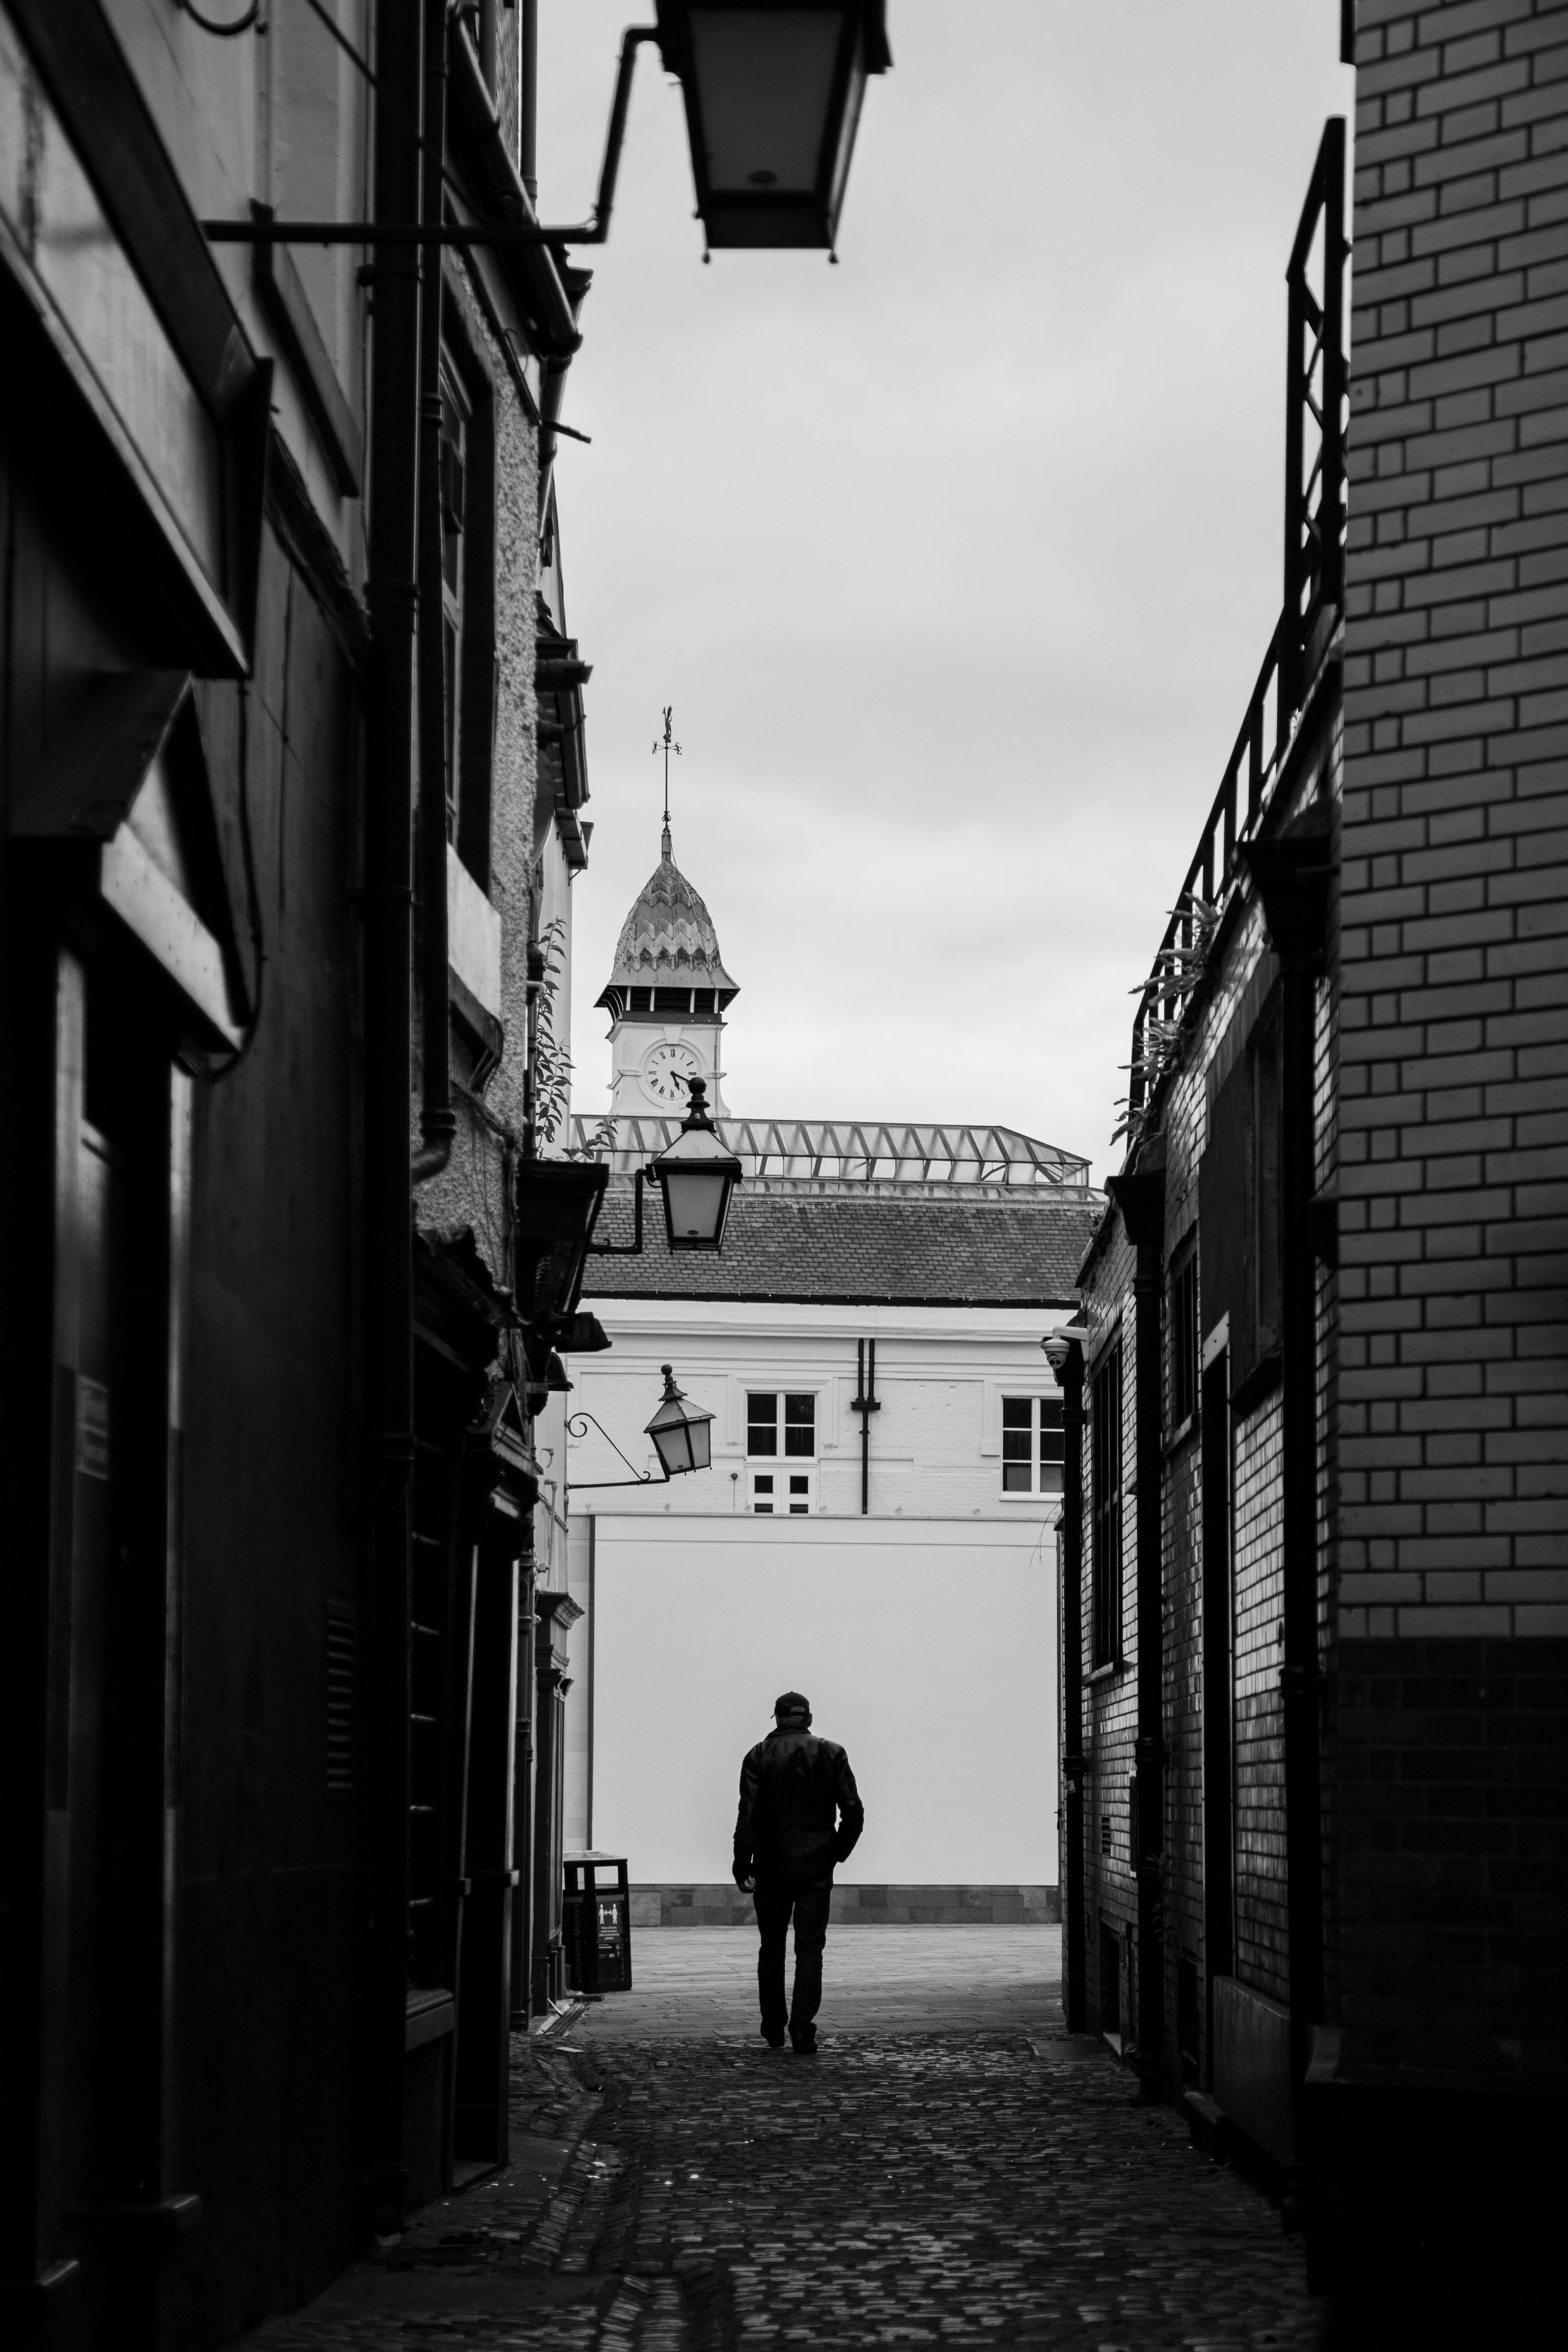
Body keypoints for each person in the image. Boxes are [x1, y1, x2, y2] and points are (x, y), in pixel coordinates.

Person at [732, 1690, 864, 2053]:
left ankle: (773, 2026)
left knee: (771, 1949)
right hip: (816, 1867)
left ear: (776, 1718)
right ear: (807, 1718)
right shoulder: (832, 1752)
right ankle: (803, 2029)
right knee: (810, 1950)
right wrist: (835, 1853)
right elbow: (853, 1813)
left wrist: (742, 1865)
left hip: (772, 1866)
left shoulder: (758, 1755)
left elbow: (748, 1816)